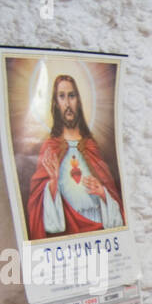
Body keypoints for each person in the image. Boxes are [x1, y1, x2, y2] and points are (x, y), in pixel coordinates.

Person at [26, 74, 125, 239]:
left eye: (71, 96)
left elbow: (115, 206)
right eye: (62, 96)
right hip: (68, 235)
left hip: (99, 230)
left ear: (78, 100)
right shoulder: (50, 148)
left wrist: (102, 193)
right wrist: (53, 182)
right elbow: (38, 209)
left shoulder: (91, 146)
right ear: (55, 104)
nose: (67, 103)